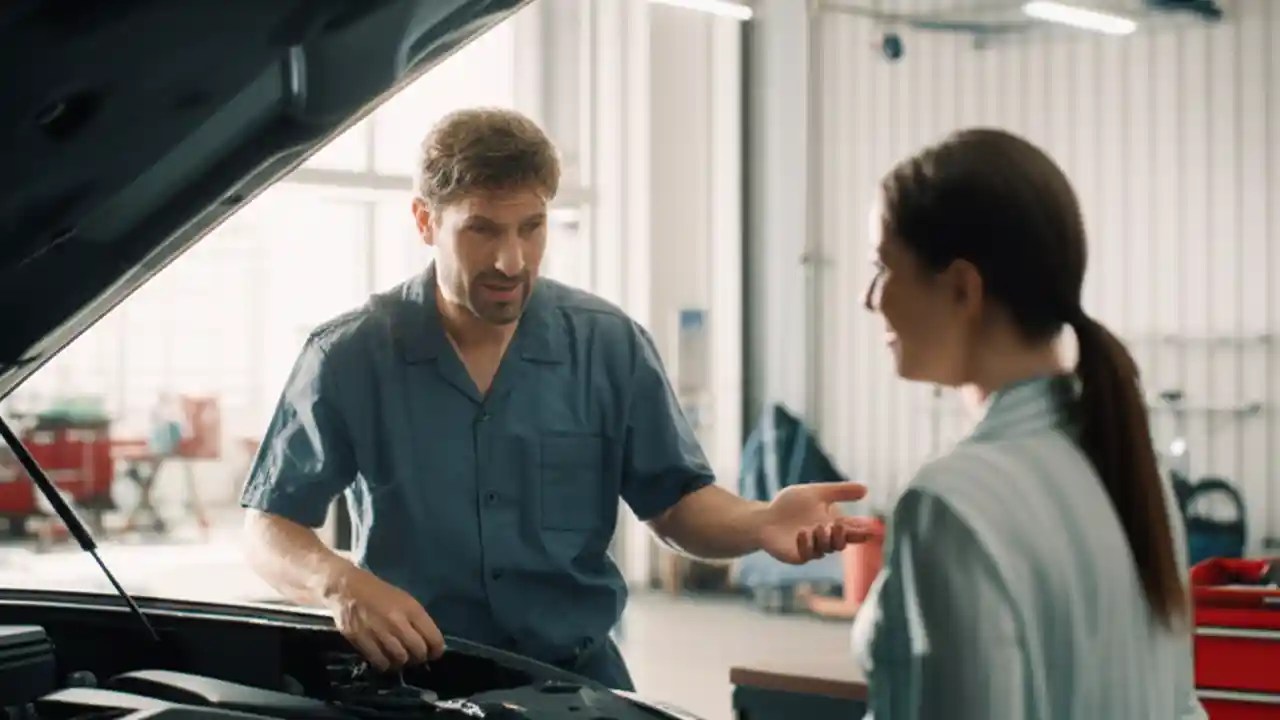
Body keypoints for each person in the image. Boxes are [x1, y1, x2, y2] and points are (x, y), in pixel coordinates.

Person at [240, 107, 875, 690]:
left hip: (577, 686)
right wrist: (339, 584)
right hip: (413, 687)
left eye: (532, 227)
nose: (511, 261)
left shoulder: (610, 346)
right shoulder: (349, 356)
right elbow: (269, 526)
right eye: (482, 230)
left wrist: (759, 522)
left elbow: (675, 504)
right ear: (425, 220)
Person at [851, 128, 1205, 719]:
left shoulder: (950, 504)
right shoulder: (1134, 474)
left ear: (963, 287)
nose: (871, 299)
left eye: (883, 268)